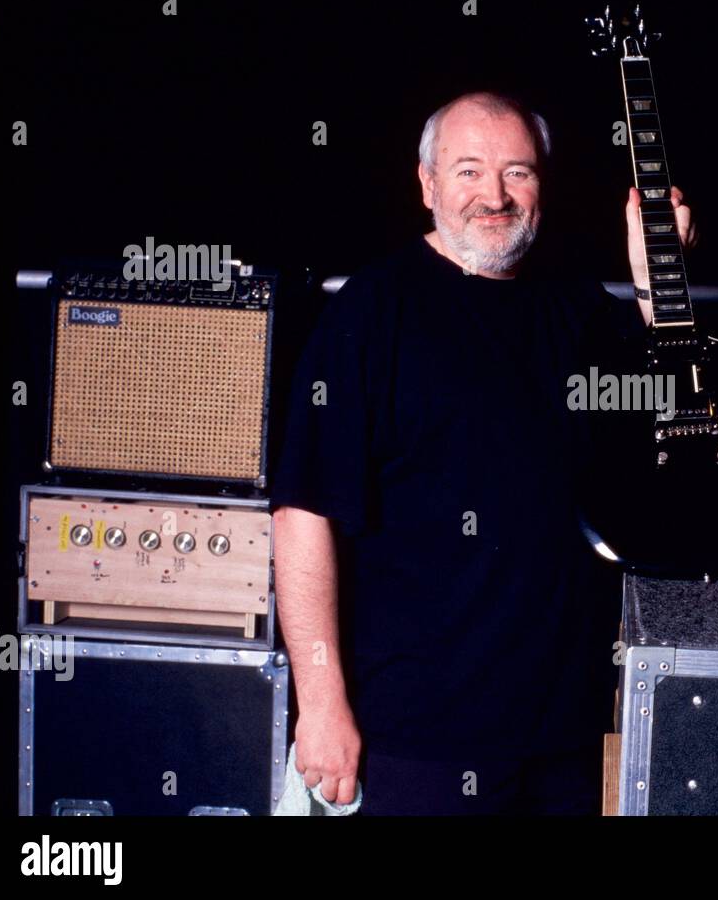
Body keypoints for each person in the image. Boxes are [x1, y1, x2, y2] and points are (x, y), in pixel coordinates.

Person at [270, 91, 695, 814]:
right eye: (468, 171)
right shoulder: (369, 316)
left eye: (517, 173)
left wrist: (658, 288)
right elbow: (302, 515)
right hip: (415, 733)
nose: (493, 196)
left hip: (564, 731)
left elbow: (659, 447)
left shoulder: (574, 305)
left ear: (542, 186)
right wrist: (320, 706)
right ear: (428, 184)